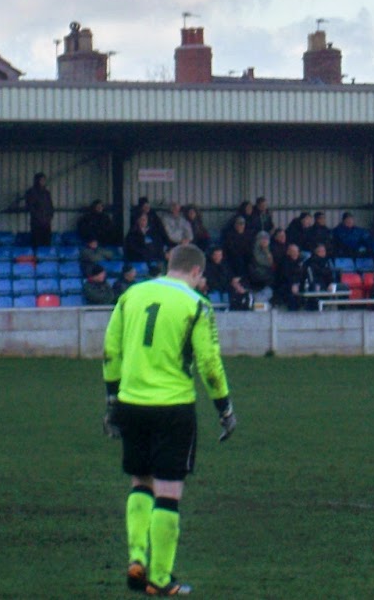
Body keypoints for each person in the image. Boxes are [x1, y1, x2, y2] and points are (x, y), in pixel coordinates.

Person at [101, 243, 234, 596]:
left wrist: (112, 400)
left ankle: (136, 557)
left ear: (168, 264)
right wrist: (224, 407)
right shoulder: (197, 305)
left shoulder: (131, 295)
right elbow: (209, 363)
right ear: (196, 271)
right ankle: (160, 578)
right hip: (173, 407)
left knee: (140, 482)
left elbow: (111, 350)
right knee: (169, 491)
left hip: (131, 402)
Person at [25, 172, 55, 249]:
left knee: (47, 243)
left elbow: (50, 206)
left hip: (47, 222)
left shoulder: (47, 193)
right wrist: (39, 217)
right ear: (36, 180)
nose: (43, 182)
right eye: (41, 180)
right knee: (36, 243)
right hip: (36, 223)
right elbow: (30, 207)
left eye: (44, 180)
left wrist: (50, 217)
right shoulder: (31, 192)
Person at [273, 242, 305, 311]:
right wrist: (293, 284)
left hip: (299, 285)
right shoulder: (284, 263)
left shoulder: (301, 263)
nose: (295, 253)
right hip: (285, 286)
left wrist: (298, 284)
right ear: (288, 252)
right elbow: (285, 276)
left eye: (296, 251)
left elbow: (303, 276)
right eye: (293, 251)